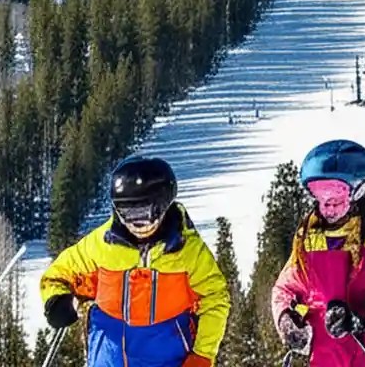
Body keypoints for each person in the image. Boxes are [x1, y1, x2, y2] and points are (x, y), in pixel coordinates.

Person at [40, 156, 230, 367]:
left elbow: (215, 297)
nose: (138, 225)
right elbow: (58, 274)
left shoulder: (186, 251)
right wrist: (58, 301)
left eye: (144, 214)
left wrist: (202, 354)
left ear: (163, 206)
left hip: (167, 350)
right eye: (128, 214)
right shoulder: (103, 245)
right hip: (110, 350)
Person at [271, 139, 365, 367]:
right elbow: (286, 289)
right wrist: (287, 319)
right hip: (328, 358)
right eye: (319, 194)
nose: (328, 206)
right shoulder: (310, 238)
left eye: (336, 194)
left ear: (358, 191)